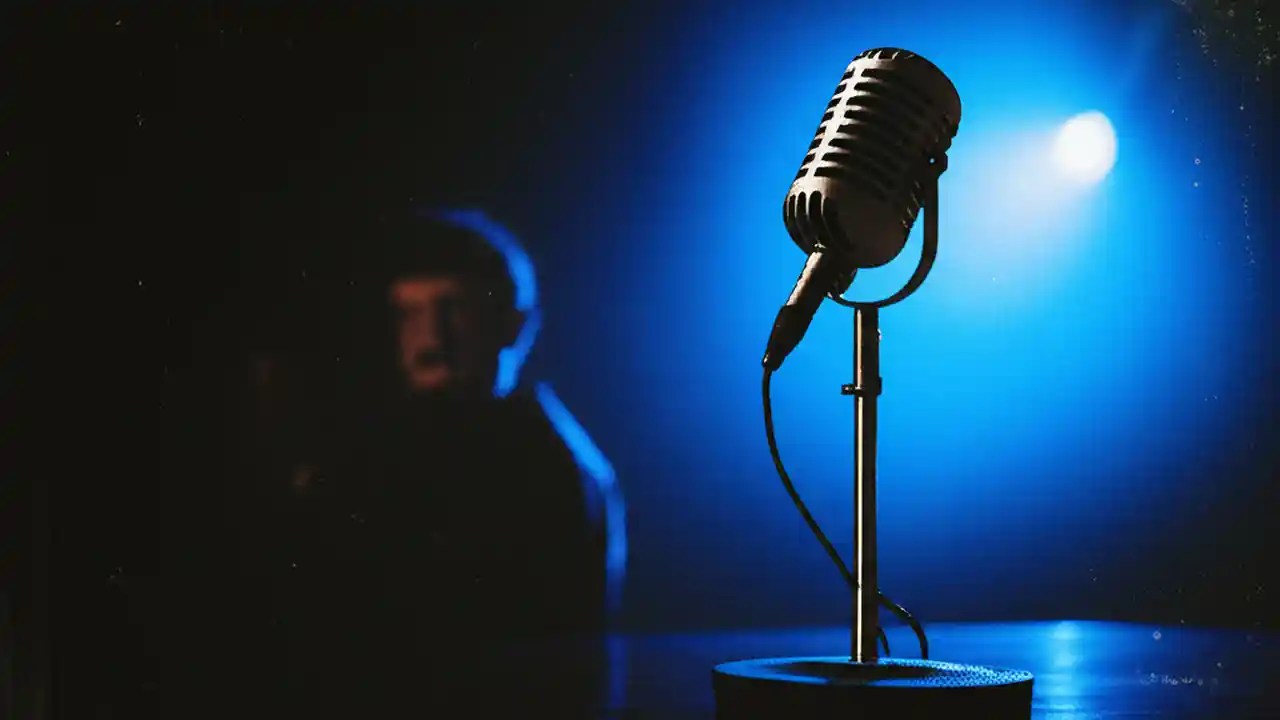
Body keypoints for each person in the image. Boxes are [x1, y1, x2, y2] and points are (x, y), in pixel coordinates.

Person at [238, 207, 627, 716]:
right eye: (408, 313)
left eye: (453, 307)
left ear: (511, 323)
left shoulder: (544, 462)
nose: (431, 336)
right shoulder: (404, 451)